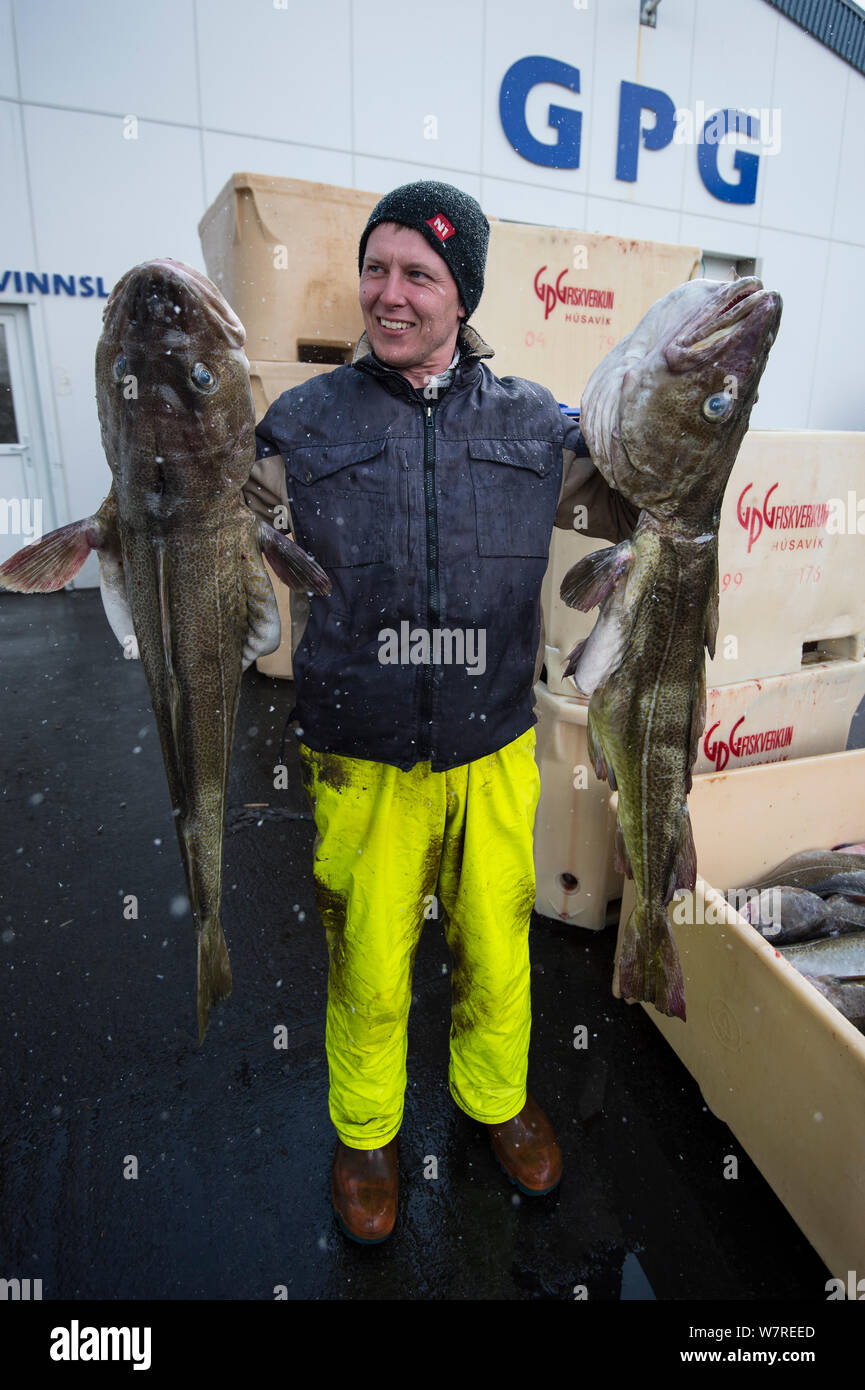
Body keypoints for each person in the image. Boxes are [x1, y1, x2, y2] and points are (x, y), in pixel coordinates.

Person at [244, 181, 639, 1244]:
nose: (389, 294)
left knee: (497, 945)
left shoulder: (535, 425)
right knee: (367, 953)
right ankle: (366, 1128)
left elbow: (636, 501)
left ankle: (493, 1097)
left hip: (492, 744)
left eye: (417, 273)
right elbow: (203, 511)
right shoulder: (304, 420)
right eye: (375, 268)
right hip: (358, 751)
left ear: (460, 294)